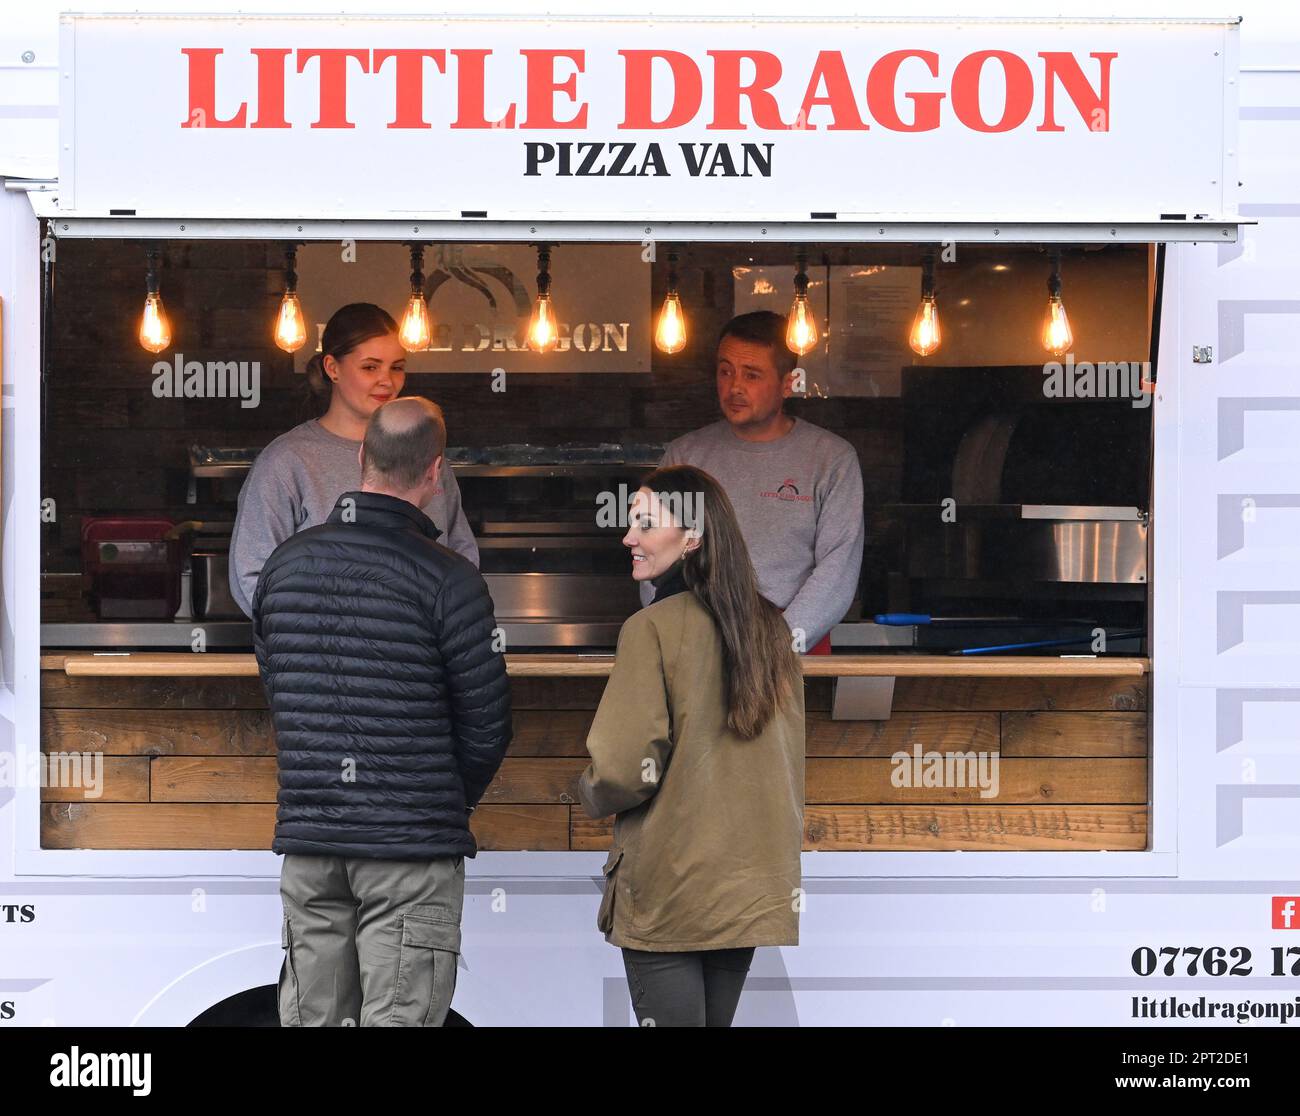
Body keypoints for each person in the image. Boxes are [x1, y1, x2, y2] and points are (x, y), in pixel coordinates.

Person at [253, 396, 511, 1027]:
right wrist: (432, 800)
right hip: (410, 853)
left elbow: (280, 696)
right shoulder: (450, 580)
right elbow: (487, 726)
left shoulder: (284, 567)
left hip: (312, 844)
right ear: (436, 472)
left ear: (362, 456)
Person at [579, 464, 805, 1027]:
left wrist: (583, 792)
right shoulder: (772, 629)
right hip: (747, 884)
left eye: (646, 523)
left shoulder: (652, 627)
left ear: (693, 536)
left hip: (670, 886)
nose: (628, 537)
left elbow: (623, 770)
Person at [230, 302, 478, 617]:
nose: (387, 381)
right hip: (322, 660)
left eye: (397, 367)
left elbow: (462, 556)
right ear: (332, 368)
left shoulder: (426, 454)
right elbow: (252, 575)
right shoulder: (286, 461)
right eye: (370, 367)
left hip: (417, 659)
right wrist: (323, 641)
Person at [640, 309, 864, 653]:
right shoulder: (685, 455)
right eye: (725, 371)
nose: (734, 387)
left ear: (789, 383)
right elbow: (654, 552)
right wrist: (678, 639)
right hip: (698, 642)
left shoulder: (830, 459)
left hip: (789, 648)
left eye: (752, 375)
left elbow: (838, 568)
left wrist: (776, 648)